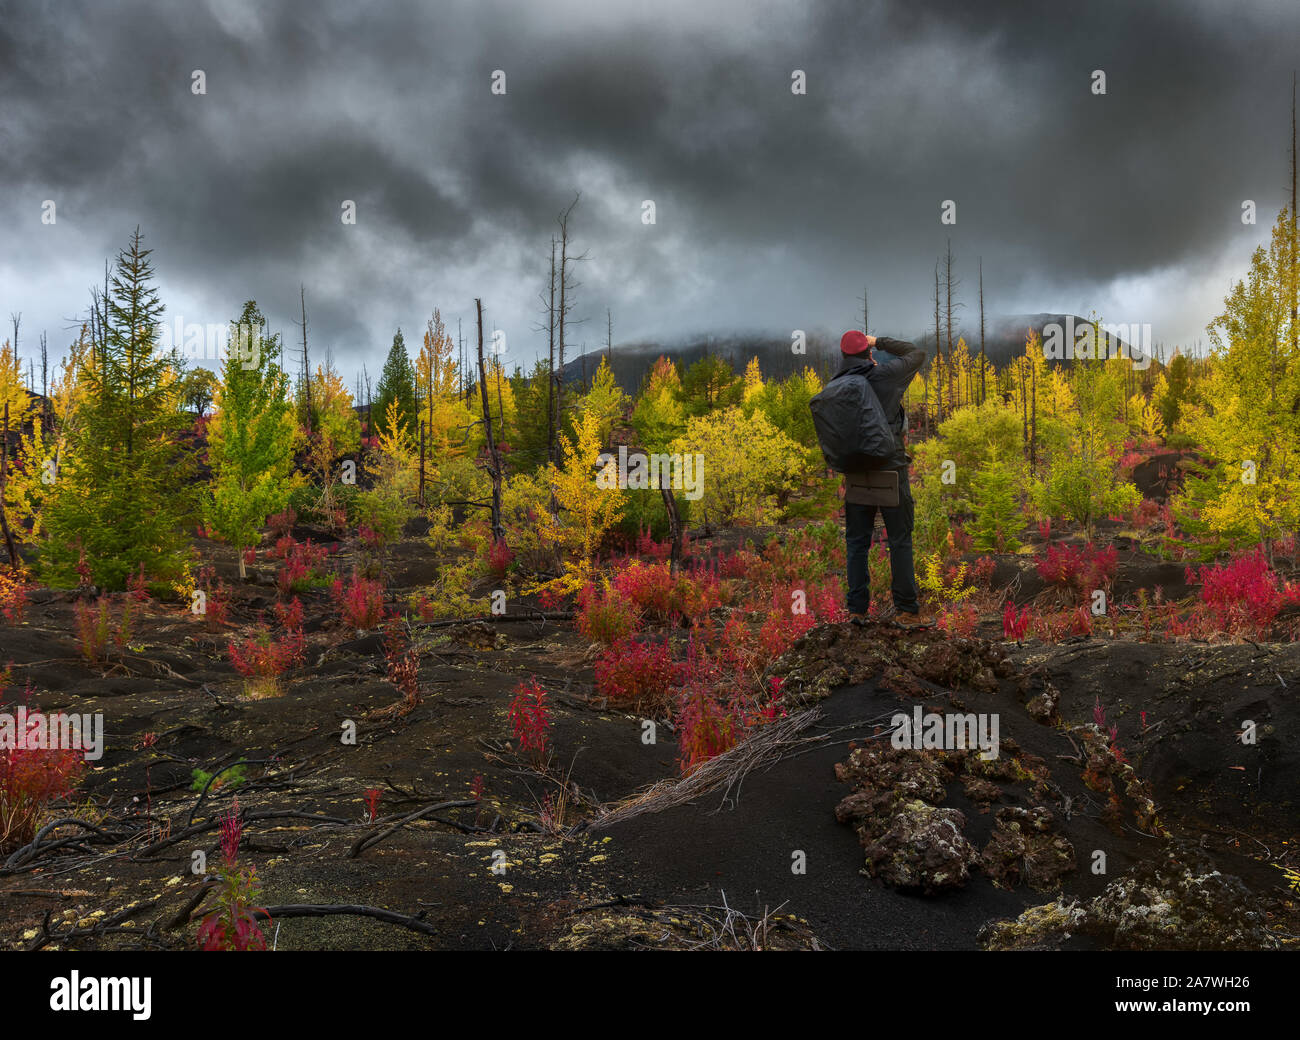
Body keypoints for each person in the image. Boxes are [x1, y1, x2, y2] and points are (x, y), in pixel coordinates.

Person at [837, 330, 927, 623]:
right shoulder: (885, 376)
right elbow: (916, 352)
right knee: (899, 539)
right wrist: (879, 341)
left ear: (844, 356)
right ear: (869, 354)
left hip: (856, 471)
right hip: (890, 469)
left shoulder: (837, 385)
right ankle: (906, 610)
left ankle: (857, 611)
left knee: (857, 541)